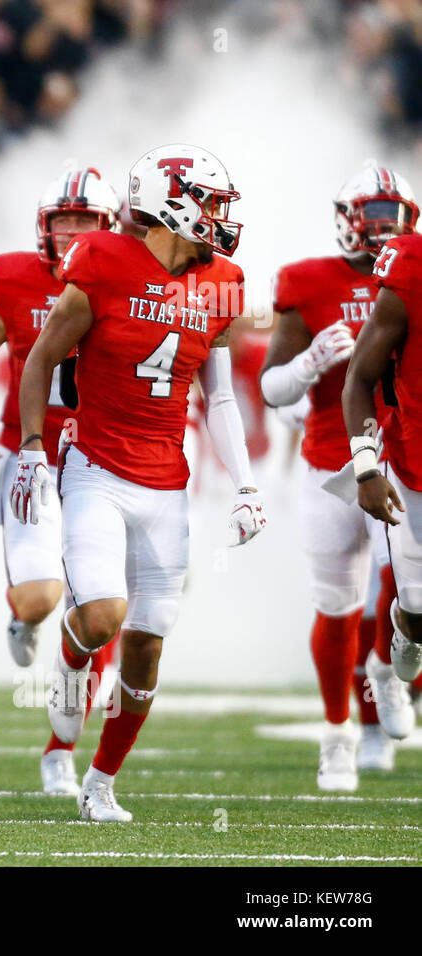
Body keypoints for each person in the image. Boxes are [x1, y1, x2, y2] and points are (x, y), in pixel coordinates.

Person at [16, 144, 265, 821]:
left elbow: (216, 399)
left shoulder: (223, 280)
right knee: (101, 618)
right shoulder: (101, 260)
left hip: (167, 483)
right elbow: (42, 358)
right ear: (170, 199)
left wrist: (245, 487)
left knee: (148, 643)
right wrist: (34, 447)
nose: (218, 217)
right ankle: (69, 663)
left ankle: (100, 782)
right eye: (208, 202)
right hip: (96, 466)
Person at [0, 165, 122, 795]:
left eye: (86, 220)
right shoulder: (14, 276)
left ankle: (61, 747)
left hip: (104, 459)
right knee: (39, 600)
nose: (74, 231)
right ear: (43, 227)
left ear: (112, 228)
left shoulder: (133, 279)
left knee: (97, 606)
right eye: (64, 220)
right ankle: (21, 623)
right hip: (29, 455)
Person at [261, 165, 418, 787]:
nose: (384, 230)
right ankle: (338, 734)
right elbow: (274, 389)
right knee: (337, 607)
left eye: (394, 217)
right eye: (372, 217)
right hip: (332, 462)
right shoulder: (306, 281)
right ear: (346, 220)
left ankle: (385, 673)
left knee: (410, 595)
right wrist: (308, 364)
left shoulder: (413, 271)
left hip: (403, 458)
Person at [342, 222, 422, 708]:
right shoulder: (411, 271)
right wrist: (367, 468)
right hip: (415, 470)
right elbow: (359, 377)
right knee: (417, 610)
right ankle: (403, 632)